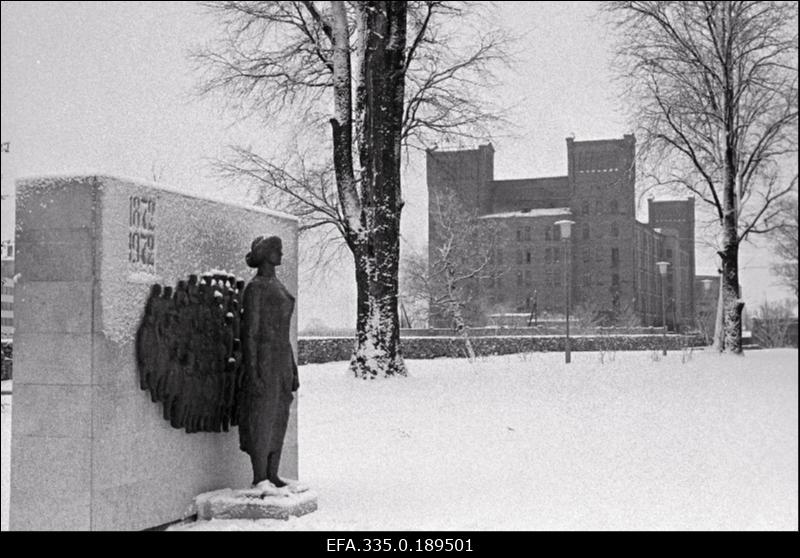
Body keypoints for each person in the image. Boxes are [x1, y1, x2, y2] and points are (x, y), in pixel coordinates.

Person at [238, 235, 299, 488]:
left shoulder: (277, 284)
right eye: (278, 250)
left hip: (281, 359)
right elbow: (249, 333)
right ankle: (260, 476)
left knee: (279, 416)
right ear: (266, 254)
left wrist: (293, 367)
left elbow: (285, 335)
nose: (282, 254)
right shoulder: (256, 288)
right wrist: (252, 371)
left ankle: (273, 472)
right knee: (262, 418)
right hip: (263, 360)